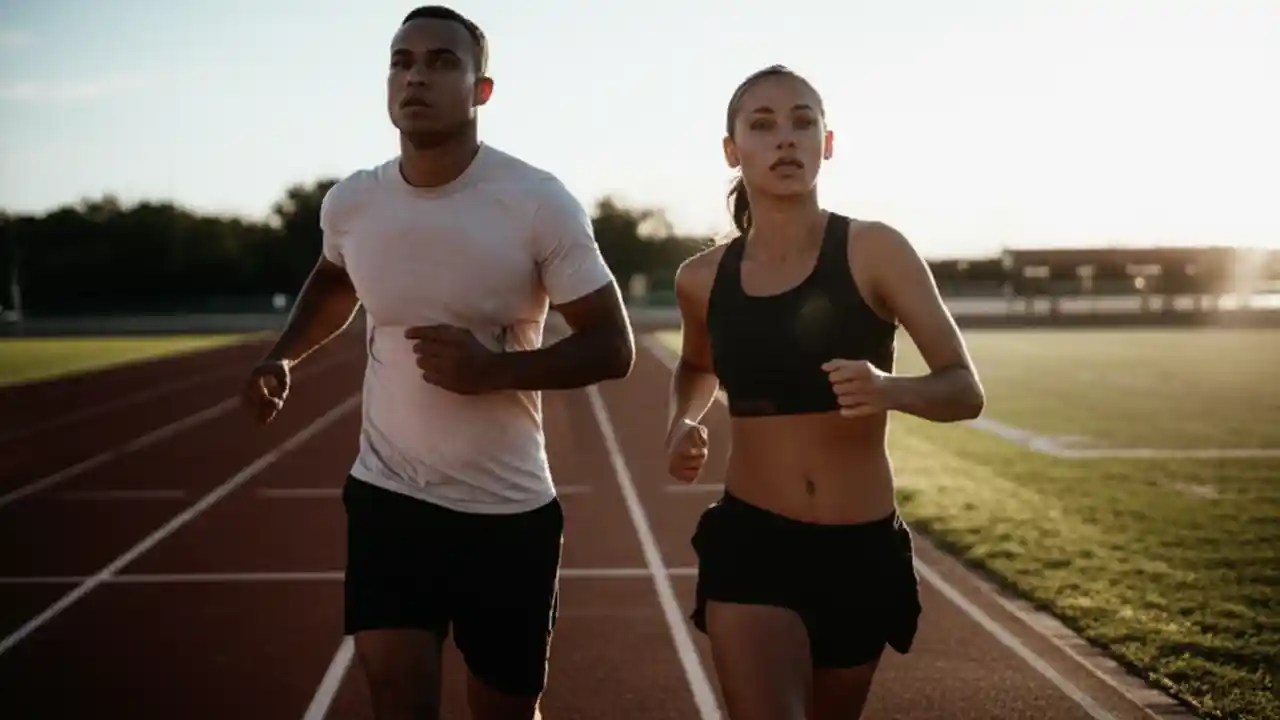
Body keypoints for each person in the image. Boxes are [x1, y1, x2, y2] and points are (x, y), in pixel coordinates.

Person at [239, 6, 634, 719]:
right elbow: (333, 280)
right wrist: (283, 355)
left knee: (504, 711)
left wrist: (495, 371)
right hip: (387, 496)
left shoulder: (537, 202)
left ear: (482, 90)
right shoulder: (353, 202)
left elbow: (613, 345)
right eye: (402, 61)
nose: (416, 75)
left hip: (505, 511)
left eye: (441, 61)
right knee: (393, 692)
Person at [665, 65, 986, 720]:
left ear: (827, 142)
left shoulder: (876, 251)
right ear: (733, 151)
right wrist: (682, 420)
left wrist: (889, 389)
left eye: (802, 122)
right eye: (762, 124)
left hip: (860, 553)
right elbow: (696, 366)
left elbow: (963, 390)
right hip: (754, 544)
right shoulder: (701, 279)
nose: (785, 139)